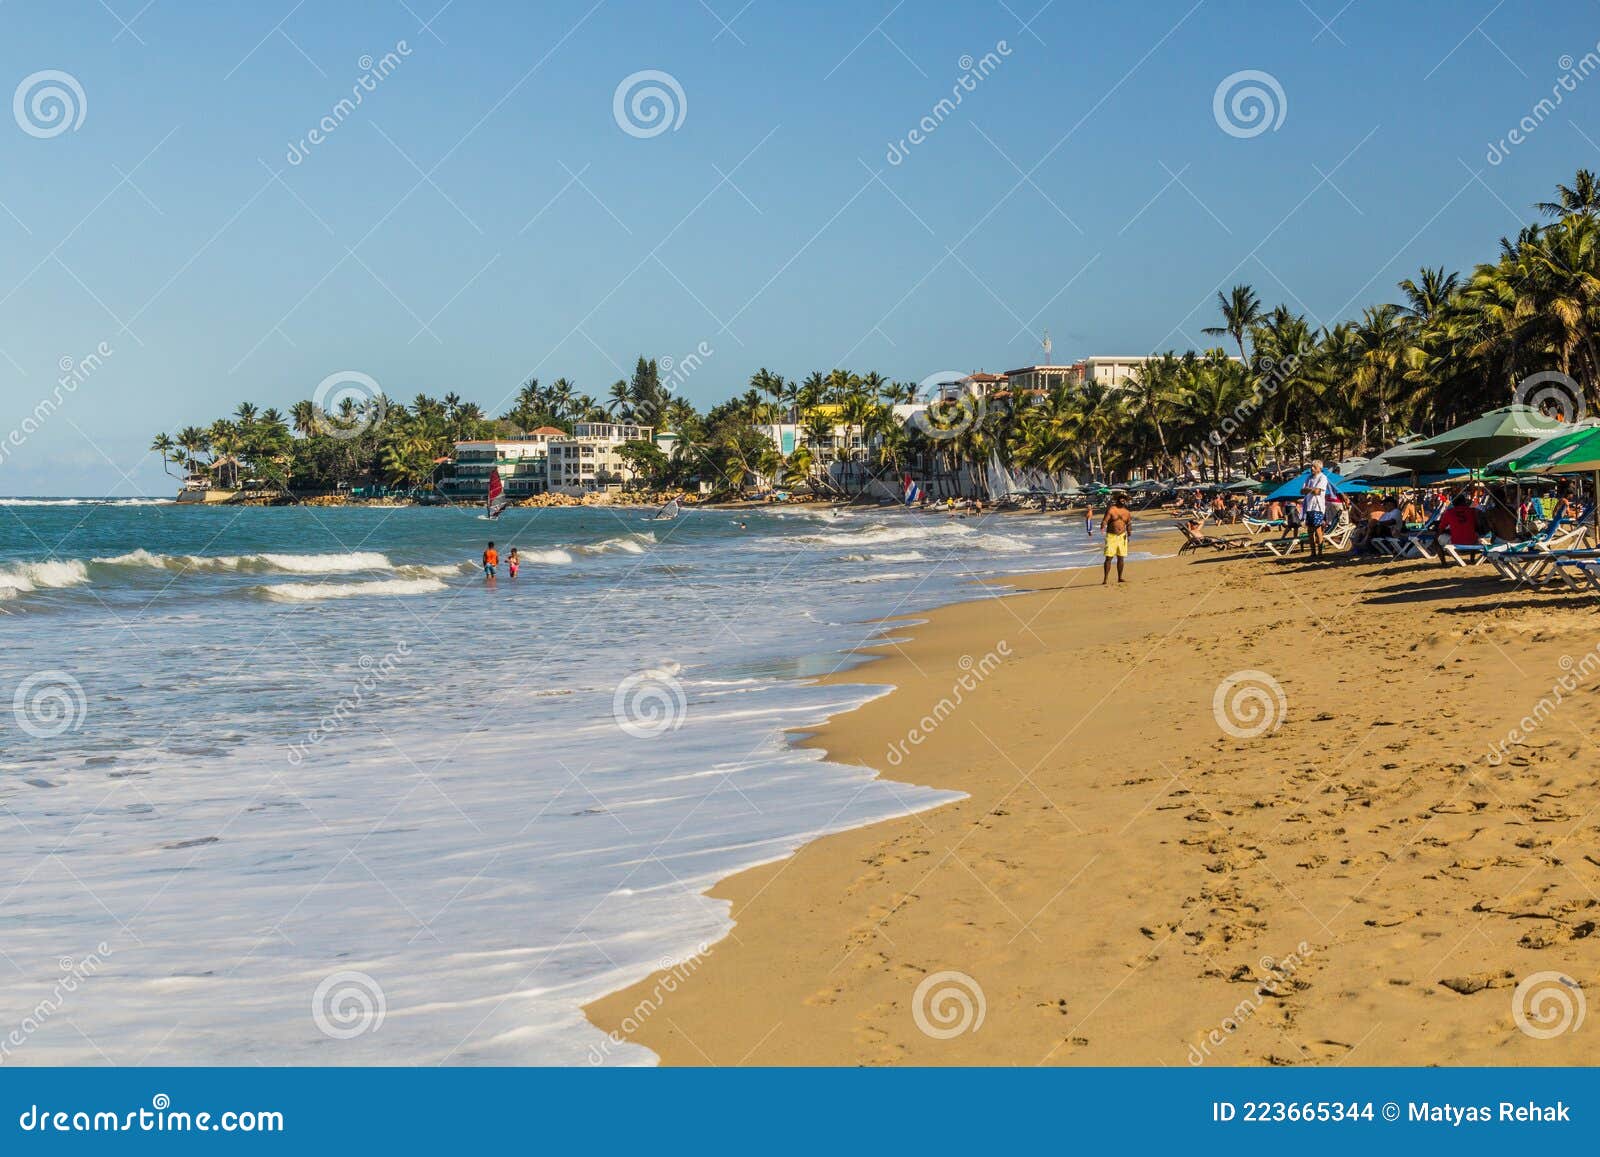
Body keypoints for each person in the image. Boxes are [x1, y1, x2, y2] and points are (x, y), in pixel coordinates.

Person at [1435, 493, 1484, 566]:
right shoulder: (1472, 511)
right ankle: (1472, 559)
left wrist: (1444, 533)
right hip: (1472, 542)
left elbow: (1441, 528)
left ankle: (1444, 563)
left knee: (1436, 541)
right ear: (1464, 502)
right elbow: (1477, 526)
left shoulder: (1449, 512)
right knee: (1475, 535)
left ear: (1453, 503)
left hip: (1455, 542)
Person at [1302, 460, 1331, 559]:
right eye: (1311, 466)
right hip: (1309, 507)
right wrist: (1312, 489)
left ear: (1319, 468)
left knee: (1317, 528)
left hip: (1317, 506)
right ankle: (1313, 552)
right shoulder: (1308, 478)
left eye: (1314, 467)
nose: (1312, 468)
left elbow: (1317, 491)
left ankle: (1320, 552)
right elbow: (1302, 491)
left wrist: (1309, 489)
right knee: (1309, 530)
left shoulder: (1322, 477)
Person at [1102, 493, 1133, 584]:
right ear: (1117, 500)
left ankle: (1120, 577)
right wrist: (1103, 525)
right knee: (1109, 557)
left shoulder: (1127, 512)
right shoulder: (1112, 509)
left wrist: (1129, 532)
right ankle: (1105, 578)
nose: (1123, 500)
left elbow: (1128, 523)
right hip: (1111, 536)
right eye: (1121, 498)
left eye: (1124, 499)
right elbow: (1105, 520)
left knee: (1121, 557)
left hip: (1122, 536)